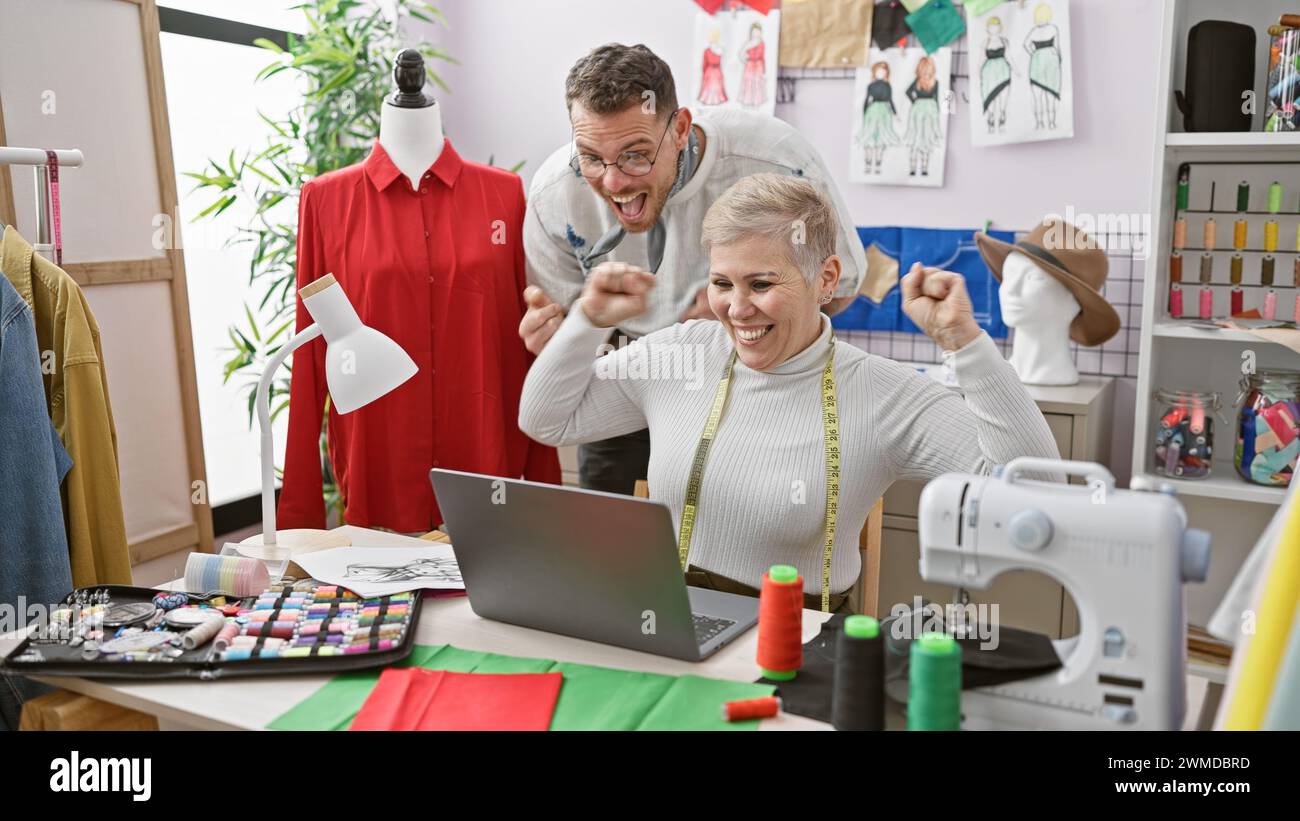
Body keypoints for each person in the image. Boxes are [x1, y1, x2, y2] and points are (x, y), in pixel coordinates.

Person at [519, 173, 1062, 614]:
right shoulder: (686, 352)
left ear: (826, 278)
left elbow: (1034, 488)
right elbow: (546, 421)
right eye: (722, 283)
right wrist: (586, 321)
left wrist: (964, 343)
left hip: (802, 652)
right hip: (670, 625)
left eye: (761, 284)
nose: (735, 309)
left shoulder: (883, 394)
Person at [522, 43, 865, 495]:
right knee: (608, 552)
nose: (613, 181)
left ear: (680, 128)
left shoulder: (777, 161)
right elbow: (566, 336)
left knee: (737, 551)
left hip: (753, 392)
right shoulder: (554, 196)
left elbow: (839, 288)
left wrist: (747, 320)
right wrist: (561, 338)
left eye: (636, 154)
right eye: (590, 156)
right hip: (623, 391)